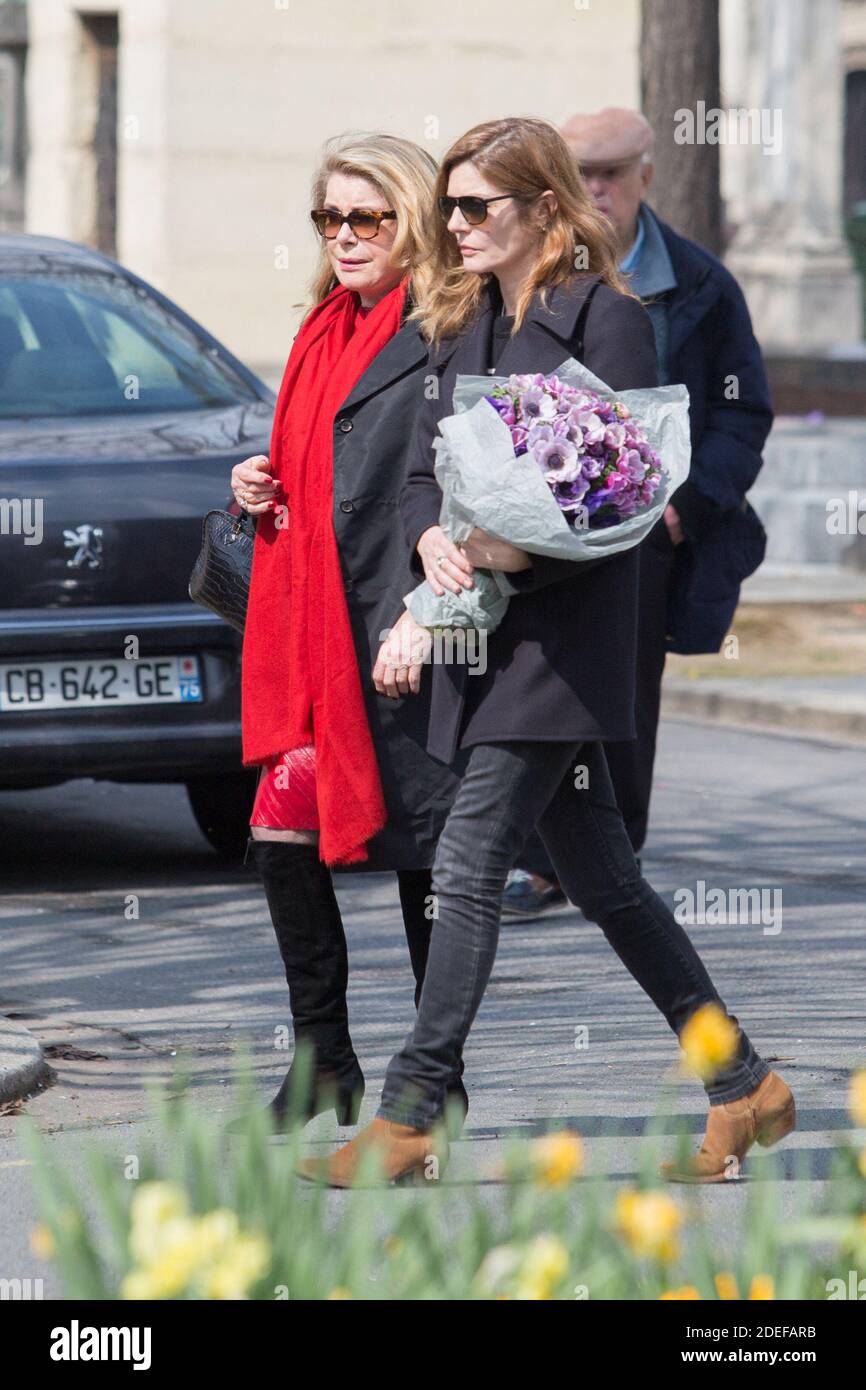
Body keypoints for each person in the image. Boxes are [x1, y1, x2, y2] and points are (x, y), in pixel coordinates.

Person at [299, 116, 794, 1189]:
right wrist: (432, 536)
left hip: (557, 648)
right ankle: (741, 1081)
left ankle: (411, 1113)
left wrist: (495, 549)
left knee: (467, 867)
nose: (456, 226)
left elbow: (608, 498)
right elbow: (431, 459)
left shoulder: (606, 320)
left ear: (542, 209)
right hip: (482, 633)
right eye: (449, 207)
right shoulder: (459, 310)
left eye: (476, 206)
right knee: (606, 880)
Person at [231, 133, 466, 1133]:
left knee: (423, 856)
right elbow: (315, 462)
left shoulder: (447, 329)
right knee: (280, 828)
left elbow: (469, 484)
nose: (343, 237)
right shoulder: (322, 329)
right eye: (329, 218)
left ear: (409, 220)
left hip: (402, 627)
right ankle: (322, 1050)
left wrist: (425, 612)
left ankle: (428, 1081)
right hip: (315, 636)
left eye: (365, 218)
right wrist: (255, 483)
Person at [504, 107, 772, 916]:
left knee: (625, 693)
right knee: (533, 678)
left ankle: (611, 862)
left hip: (647, 532)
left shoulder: (698, 281)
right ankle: (536, 857)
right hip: (536, 525)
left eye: (612, 174)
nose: (596, 190)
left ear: (646, 178)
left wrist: (685, 509)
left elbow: (742, 411)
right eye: (581, 174)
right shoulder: (529, 274)